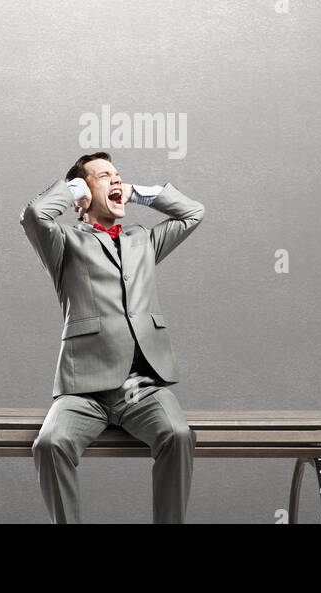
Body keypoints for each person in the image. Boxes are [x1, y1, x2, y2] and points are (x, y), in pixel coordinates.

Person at [19, 152, 205, 523]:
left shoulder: (143, 241)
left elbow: (193, 213)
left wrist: (138, 193)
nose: (116, 179)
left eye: (118, 174)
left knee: (178, 435)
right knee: (51, 444)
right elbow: (34, 215)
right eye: (104, 176)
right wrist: (75, 189)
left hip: (141, 384)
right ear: (83, 194)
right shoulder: (64, 243)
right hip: (84, 388)